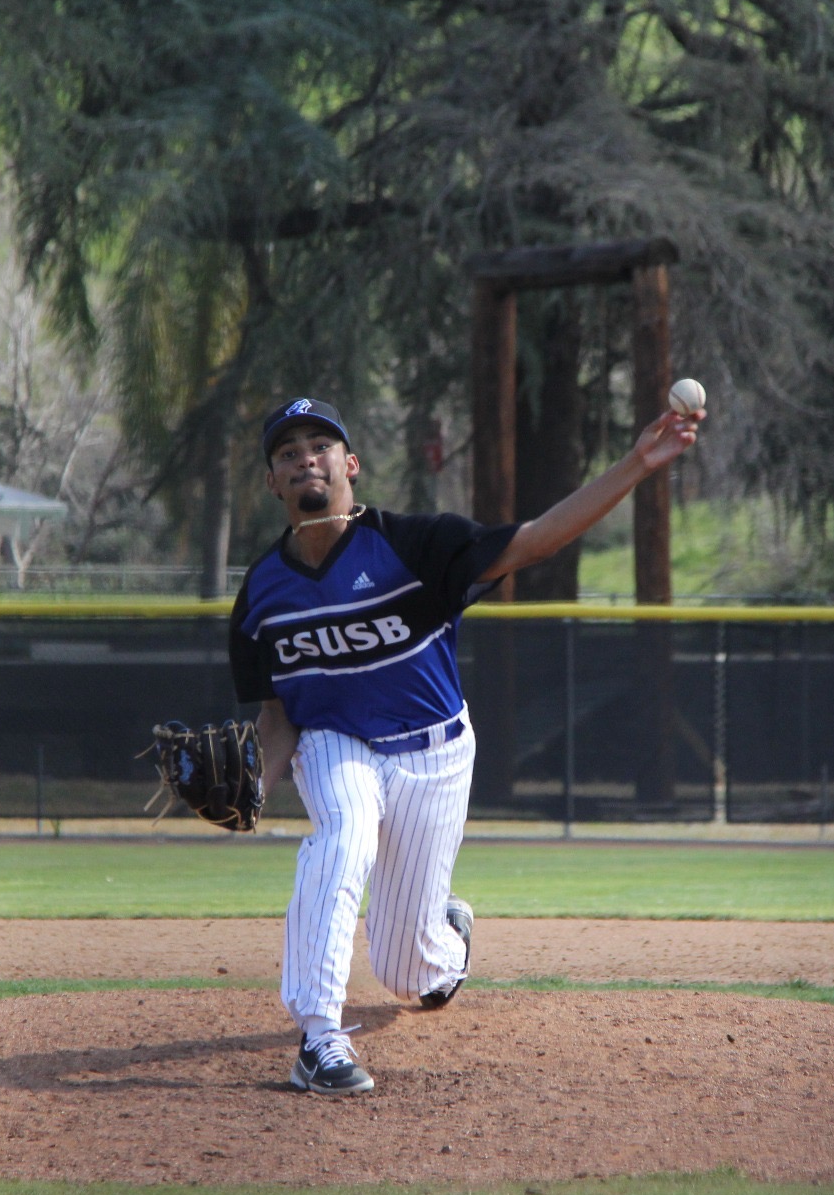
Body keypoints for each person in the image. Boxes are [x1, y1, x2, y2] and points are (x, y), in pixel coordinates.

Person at [231, 394, 701, 1094]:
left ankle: (445, 940)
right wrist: (251, 788)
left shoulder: (414, 545)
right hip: (335, 745)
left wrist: (636, 463)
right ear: (273, 481)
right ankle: (318, 1037)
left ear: (350, 464)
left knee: (408, 969)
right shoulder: (262, 596)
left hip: (434, 754)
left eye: (320, 444)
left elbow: (537, 537)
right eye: (288, 450)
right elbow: (279, 720)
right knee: (346, 833)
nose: (306, 457)